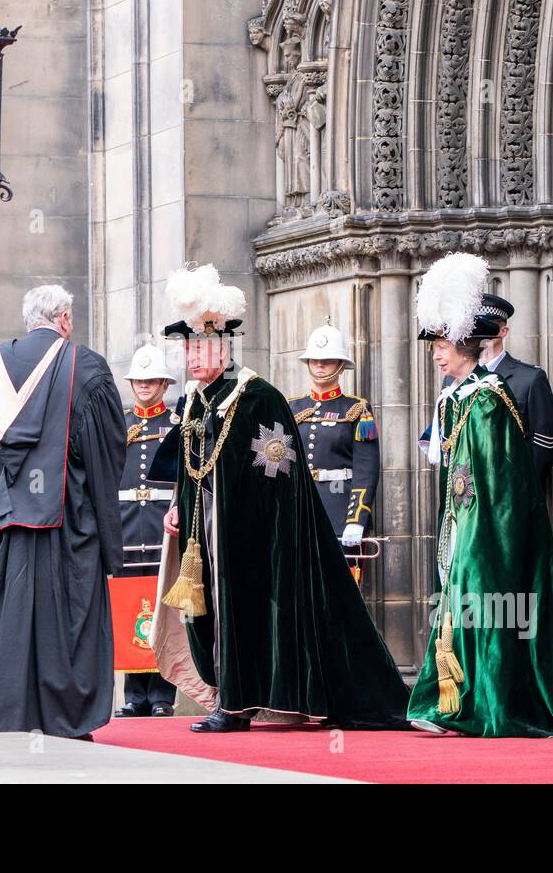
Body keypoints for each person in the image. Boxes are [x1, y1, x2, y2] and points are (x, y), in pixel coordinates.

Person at [151, 263, 411, 732]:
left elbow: (278, 475)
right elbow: (190, 465)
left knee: (242, 611)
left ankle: (236, 704)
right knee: (206, 611)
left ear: (224, 347)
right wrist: (178, 506)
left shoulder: (258, 398)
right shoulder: (194, 399)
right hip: (202, 530)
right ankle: (223, 694)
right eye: (187, 346)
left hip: (251, 536)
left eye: (200, 345)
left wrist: (248, 518)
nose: (191, 356)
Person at [406, 254, 553, 738]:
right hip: (464, 521)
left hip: (488, 527)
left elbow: (497, 476)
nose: (435, 352)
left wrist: (475, 527)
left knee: (480, 604)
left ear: (468, 342)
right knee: (460, 604)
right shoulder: (457, 396)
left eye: (443, 342)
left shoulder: (489, 396)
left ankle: (476, 706)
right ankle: (452, 702)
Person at [0, 285, 126, 738]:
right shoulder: (85, 366)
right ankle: (64, 720)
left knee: (6, 623)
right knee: (64, 624)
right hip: (65, 525)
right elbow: (106, 455)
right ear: (65, 319)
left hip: (4, 525)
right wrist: (105, 529)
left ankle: (9, 715)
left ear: (28, 319)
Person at [113, 344, 178, 718]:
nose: (143, 385)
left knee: (161, 609)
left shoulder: (174, 426)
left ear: (163, 384)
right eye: (138, 380)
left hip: (159, 526)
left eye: (151, 379)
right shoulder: (120, 425)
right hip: (125, 525)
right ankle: (134, 696)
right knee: (127, 611)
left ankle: (161, 696)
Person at [288, 320, 380, 548]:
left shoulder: (357, 409)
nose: (320, 365)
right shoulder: (291, 407)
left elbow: (365, 470)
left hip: (339, 511)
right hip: (298, 509)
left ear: (340, 365)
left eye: (328, 360)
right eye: (315, 360)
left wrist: (357, 519)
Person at [474, 294, 553, 485]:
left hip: (512, 491)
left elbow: (546, 444)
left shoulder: (530, 378)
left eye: (487, 326)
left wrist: (522, 489)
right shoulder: (455, 379)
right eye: (475, 327)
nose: (481, 332)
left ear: (503, 331)